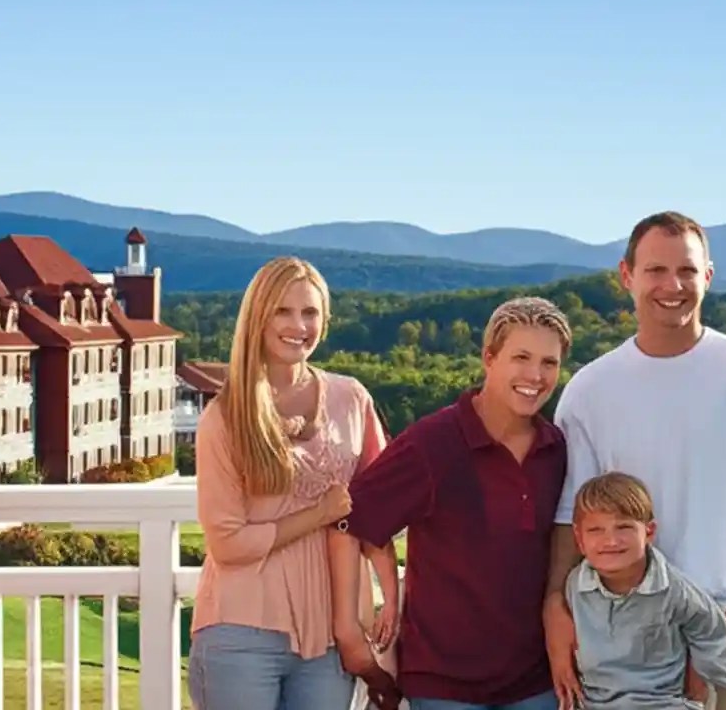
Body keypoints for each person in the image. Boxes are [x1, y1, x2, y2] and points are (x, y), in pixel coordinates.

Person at [543, 211, 726, 710]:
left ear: (709, 277)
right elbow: (573, 514)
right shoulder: (591, 389)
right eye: (656, 270)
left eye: (687, 270)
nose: (672, 285)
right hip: (622, 631)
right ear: (626, 276)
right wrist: (556, 603)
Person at [329, 296, 573, 710]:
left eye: (549, 363)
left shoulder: (557, 450)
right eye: (521, 357)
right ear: (489, 358)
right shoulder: (433, 444)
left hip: (536, 683)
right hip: (445, 685)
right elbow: (350, 520)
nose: (535, 375)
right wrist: (354, 629)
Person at [186, 256, 401, 710]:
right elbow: (228, 544)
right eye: (282, 311)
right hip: (241, 629)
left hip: (328, 638)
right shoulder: (224, 417)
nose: (298, 325)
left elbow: (382, 509)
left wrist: (391, 596)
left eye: (310, 313)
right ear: (258, 316)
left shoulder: (350, 398)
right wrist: (319, 515)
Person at [565, 471, 726, 709]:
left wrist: (702, 680)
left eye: (623, 527)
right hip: (597, 704)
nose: (611, 541)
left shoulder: (674, 588)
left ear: (649, 531)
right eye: (596, 530)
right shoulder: (575, 585)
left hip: (662, 702)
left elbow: (711, 630)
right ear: (579, 538)